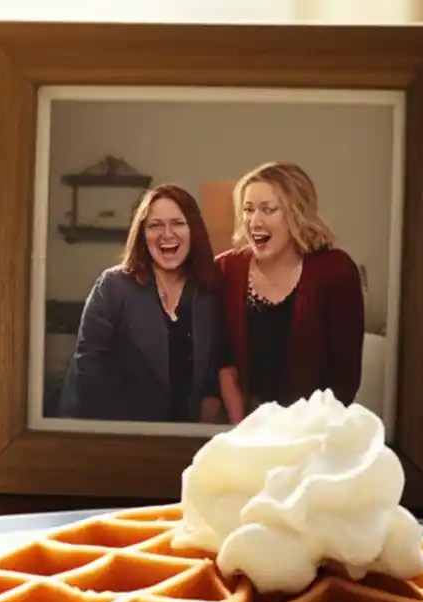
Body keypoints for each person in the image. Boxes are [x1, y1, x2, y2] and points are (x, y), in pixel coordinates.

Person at [58, 184, 224, 423]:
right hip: (118, 434)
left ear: (194, 231)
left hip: (182, 437)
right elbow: (89, 369)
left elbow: (211, 378)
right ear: (142, 235)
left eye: (177, 223)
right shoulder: (114, 286)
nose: (167, 234)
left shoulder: (208, 291)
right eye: (155, 225)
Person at [216, 161, 365, 423]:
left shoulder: (335, 270)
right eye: (248, 210)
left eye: (268, 210)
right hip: (239, 429)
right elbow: (218, 359)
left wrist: (303, 431)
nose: (254, 221)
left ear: (296, 214)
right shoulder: (226, 270)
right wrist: (239, 426)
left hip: (312, 431)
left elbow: (345, 376)